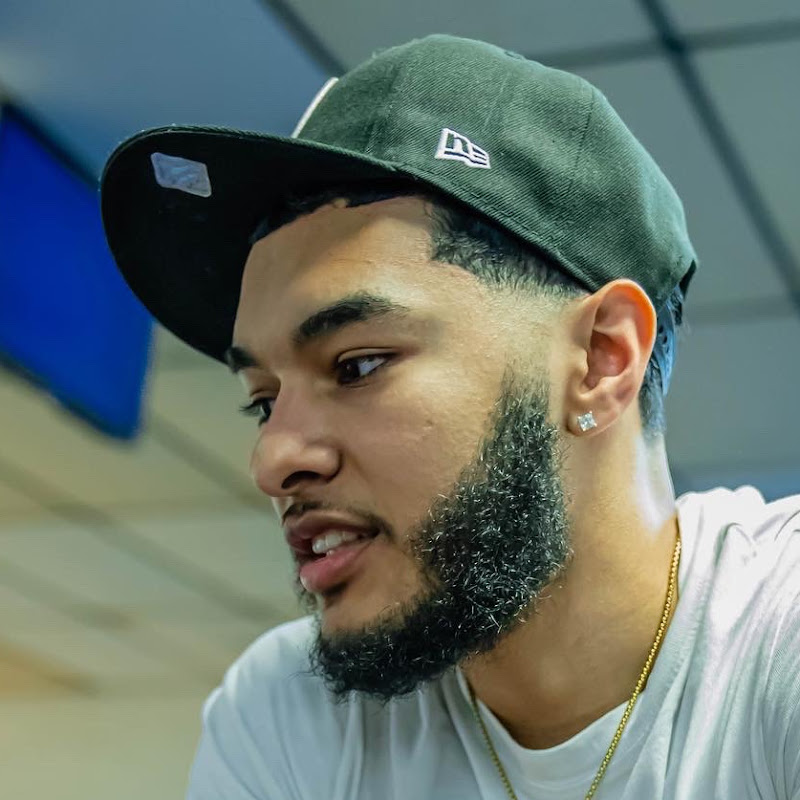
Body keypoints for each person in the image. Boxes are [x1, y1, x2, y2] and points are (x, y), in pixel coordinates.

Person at [100, 34, 800, 800]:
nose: (271, 460)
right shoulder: (285, 716)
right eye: (264, 401)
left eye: (357, 365)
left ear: (601, 359)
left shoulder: (777, 634)